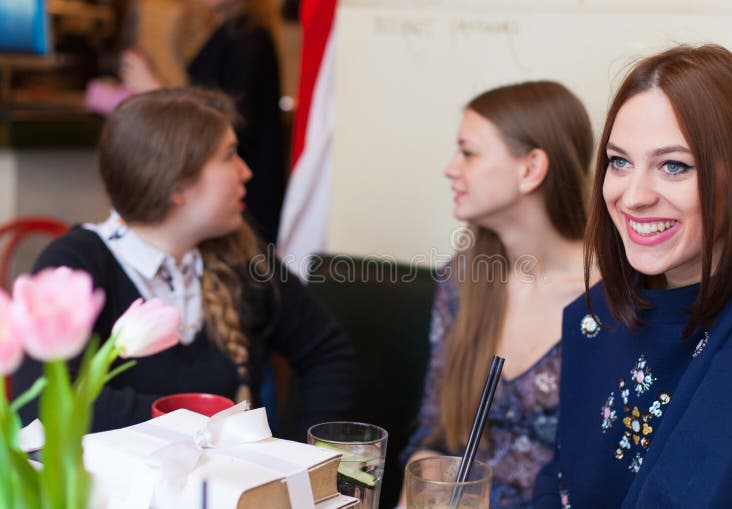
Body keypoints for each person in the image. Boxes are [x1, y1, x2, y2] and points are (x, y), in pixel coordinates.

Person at [532, 44, 732, 508]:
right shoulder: (593, 318)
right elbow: (556, 490)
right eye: (619, 162)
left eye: (673, 166)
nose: (633, 196)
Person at [12, 87, 353, 440]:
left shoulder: (241, 257)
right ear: (175, 185)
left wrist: (307, 455)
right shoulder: (76, 264)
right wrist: (201, 423)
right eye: (229, 155)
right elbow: (43, 406)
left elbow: (327, 353)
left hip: (231, 476)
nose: (246, 171)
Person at [400, 81, 596, 508]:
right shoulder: (462, 281)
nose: (450, 168)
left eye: (468, 153)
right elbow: (434, 437)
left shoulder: (615, 303)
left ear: (531, 169)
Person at [120, 0, 286, 245]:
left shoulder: (249, 36)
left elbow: (229, 122)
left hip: (246, 193)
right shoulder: (229, 30)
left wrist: (154, 88)